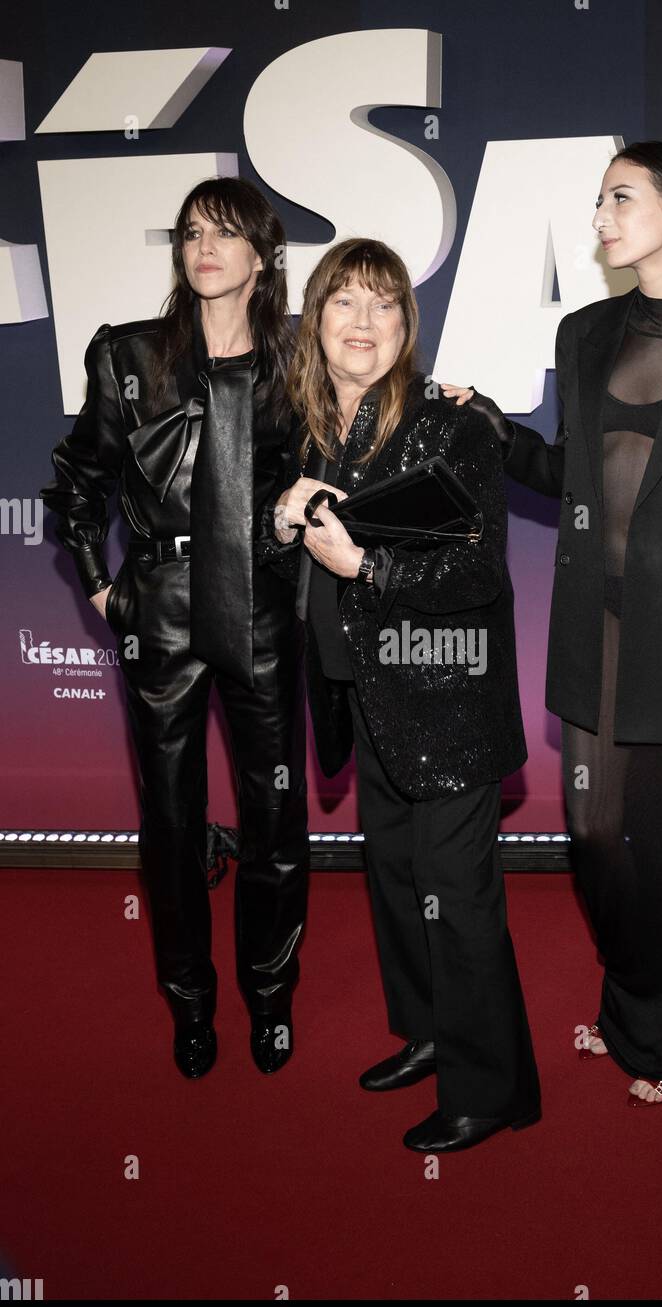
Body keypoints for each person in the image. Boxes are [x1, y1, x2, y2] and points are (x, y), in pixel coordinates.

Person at [452, 142, 662, 1106]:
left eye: (620, 197)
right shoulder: (585, 333)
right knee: (597, 834)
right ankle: (632, 997)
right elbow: (573, 477)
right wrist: (494, 429)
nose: (600, 215)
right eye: (599, 199)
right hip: (594, 624)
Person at [258, 237, 541, 1151]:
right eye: (346, 302)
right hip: (362, 694)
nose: (364, 322)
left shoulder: (448, 423)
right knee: (397, 882)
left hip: (447, 695)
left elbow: (478, 570)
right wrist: (278, 520)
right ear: (316, 319)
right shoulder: (303, 428)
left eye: (384, 305)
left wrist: (366, 564)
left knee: (457, 895)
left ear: (406, 326)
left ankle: (491, 1088)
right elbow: (271, 565)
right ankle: (428, 1034)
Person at [42, 177, 309, 1080]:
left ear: (262, 254)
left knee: (274, 817)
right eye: (193, 231)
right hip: (158, 604)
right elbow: (77, 481)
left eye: (226, 233)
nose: (205, 247)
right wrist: (99, 587)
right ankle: (190, 1004)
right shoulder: (128, 355)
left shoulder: (295, 361)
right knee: (170, 821)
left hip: (262, 603)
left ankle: (269, 999)